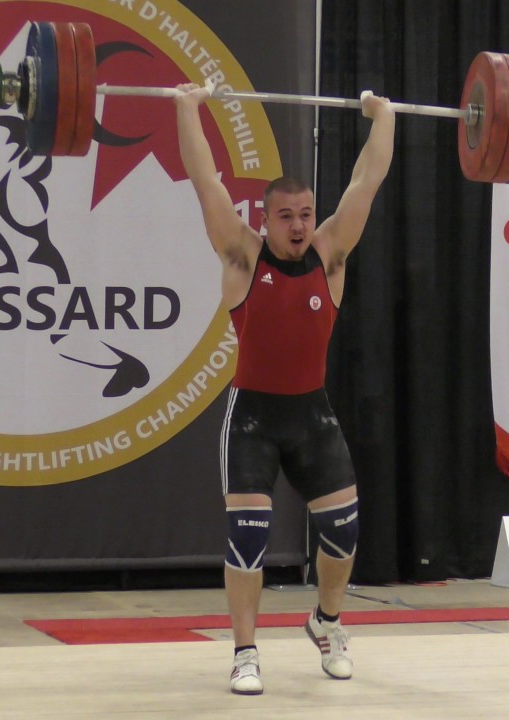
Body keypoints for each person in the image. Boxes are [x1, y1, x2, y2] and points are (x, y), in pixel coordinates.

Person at [173, 82, 394, 695]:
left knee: (344, 533)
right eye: (284, 217)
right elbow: (205, 182)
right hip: (252, 420)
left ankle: (325, 622)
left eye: (304, 214)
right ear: (263, 220)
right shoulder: (242, 258)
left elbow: (366, 181)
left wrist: (385, 116)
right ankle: (245, 653)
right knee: (248, 537)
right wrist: (187, 109)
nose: (298, 227)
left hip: (312, 417)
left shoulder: (331, 253)